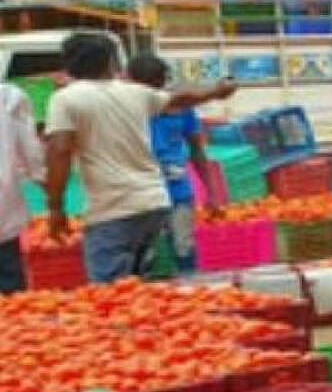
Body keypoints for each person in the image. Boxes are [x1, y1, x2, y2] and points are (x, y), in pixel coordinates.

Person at [45, 32, 237, 284]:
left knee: (110, 294)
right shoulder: (135, 93)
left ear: (68, 65)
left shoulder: (65, 99)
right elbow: (180, 98)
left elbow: (60, 150)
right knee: (140, 289)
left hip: (112, 209)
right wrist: (216, 91)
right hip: (153, 203)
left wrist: (56, 207)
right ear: (112, 63)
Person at [132, 54, 223, 274]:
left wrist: (212, 192)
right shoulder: (128, 110)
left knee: (184, 248)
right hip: (139, 192)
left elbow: (197, 151)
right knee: (143, 255)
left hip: (177, 190)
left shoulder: (182, 109)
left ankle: (189, 290)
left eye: (157, 84)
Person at [0, 79, 45, 293]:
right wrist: (45, 181)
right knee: (10, 293)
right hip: (3, 211)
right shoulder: (8, 97)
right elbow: (31, 152)